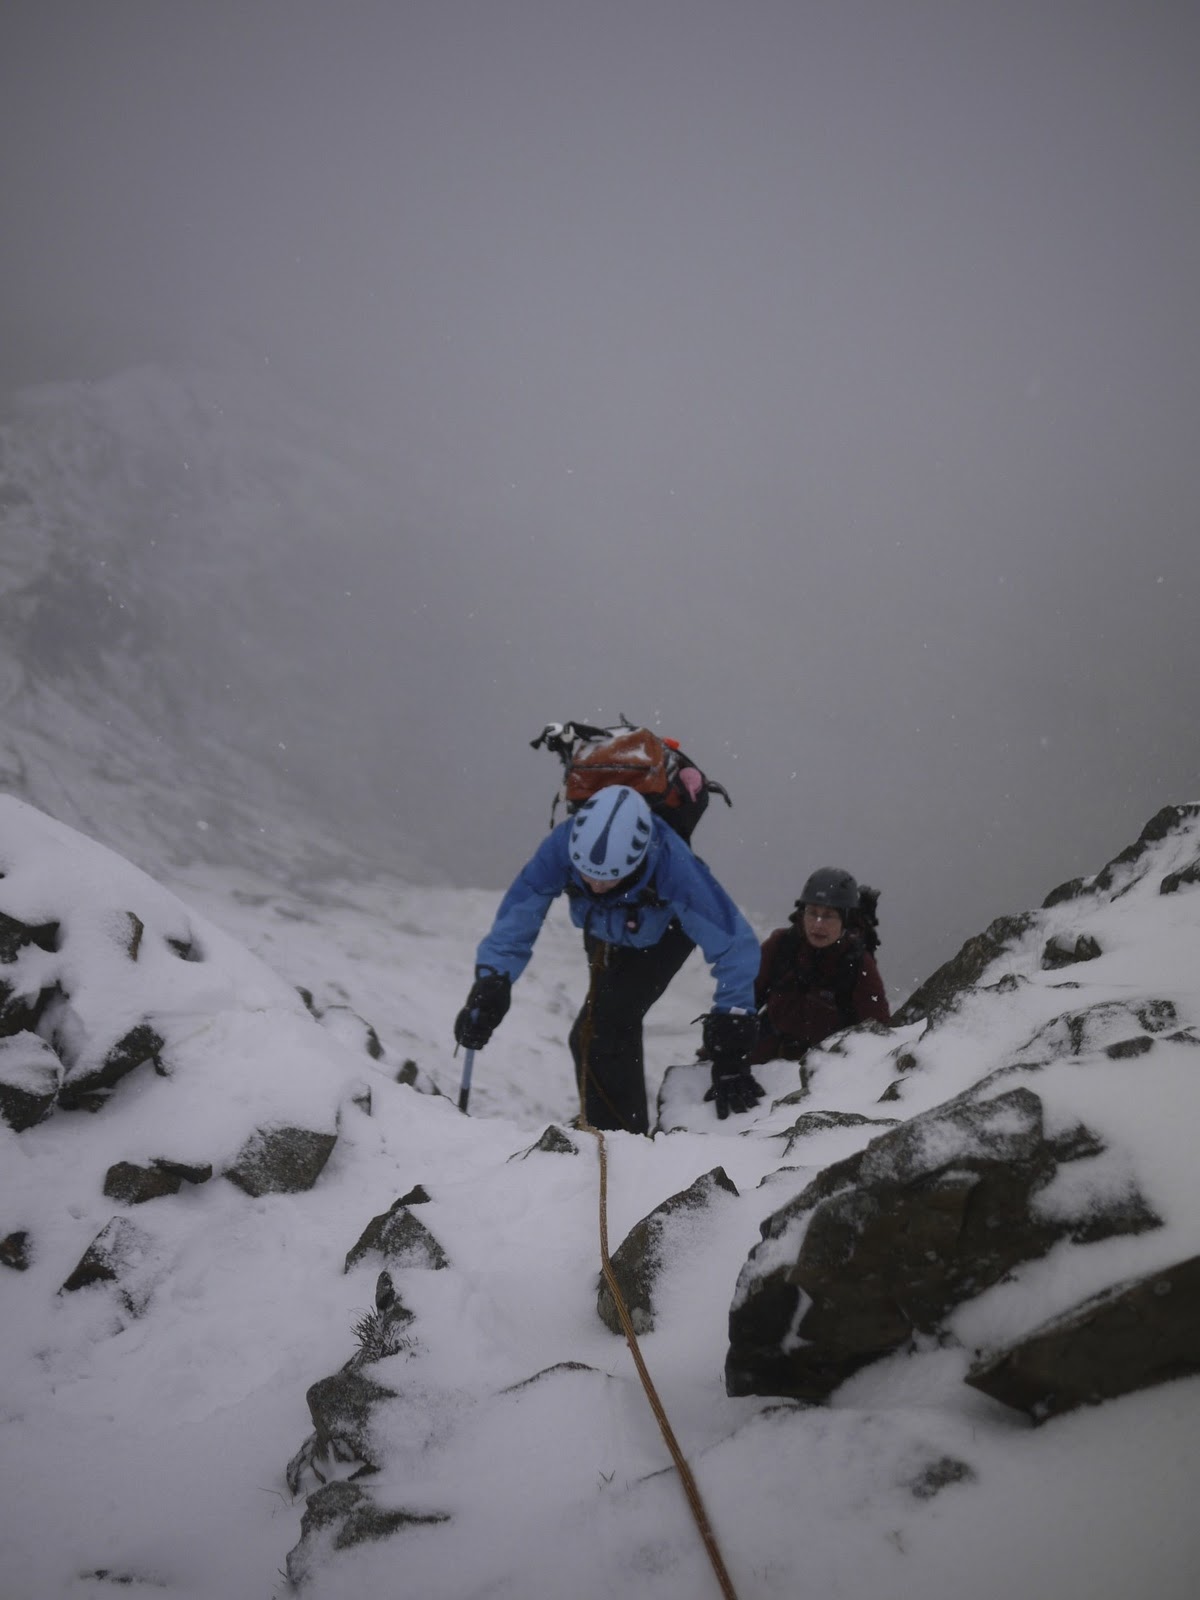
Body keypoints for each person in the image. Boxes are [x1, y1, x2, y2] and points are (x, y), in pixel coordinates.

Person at [454, 785, 764, 1132]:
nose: (596, 886)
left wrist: (731, 1041)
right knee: (593, 1035)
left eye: (609, 877)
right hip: (602, 927)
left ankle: (619, 1138)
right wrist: (492, 983)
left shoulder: (674, 865)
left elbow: (735, 945)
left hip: (665, 933)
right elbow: (518, 917)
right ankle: (608, 1127)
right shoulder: (562, 846)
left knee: (605, 1030)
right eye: (587, 875)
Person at [750, 867, 890, 1066]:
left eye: (828, 915)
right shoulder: (781, 945)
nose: (817, 924)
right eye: (812, 913)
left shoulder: (857, 962)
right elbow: (743, 1000)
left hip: (823, 1073)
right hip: (763, 1061)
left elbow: (877, 1028)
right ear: (802, 913)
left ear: (845, 920)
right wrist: (720, 1053)